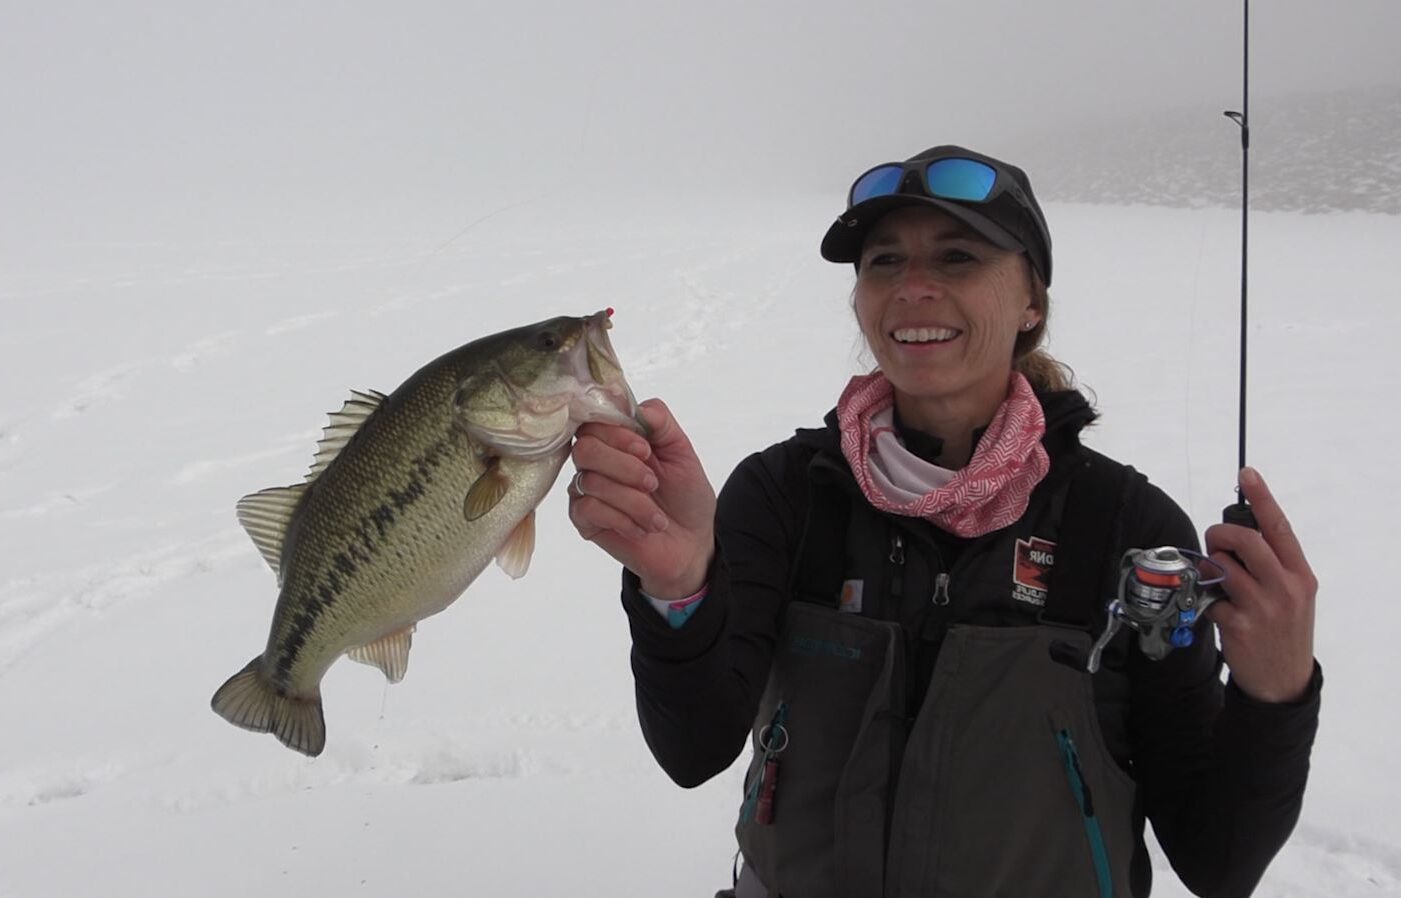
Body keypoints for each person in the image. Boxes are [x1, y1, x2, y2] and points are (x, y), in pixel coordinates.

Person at [565, 145, 1321, 898]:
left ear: (1031, 303)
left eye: (958, 257)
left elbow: (1217, 861)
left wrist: (1275, 695)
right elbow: (693, 749)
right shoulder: (786, 493)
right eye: (883, 261)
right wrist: (679, 590)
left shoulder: (1122, 524)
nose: (912, 287)